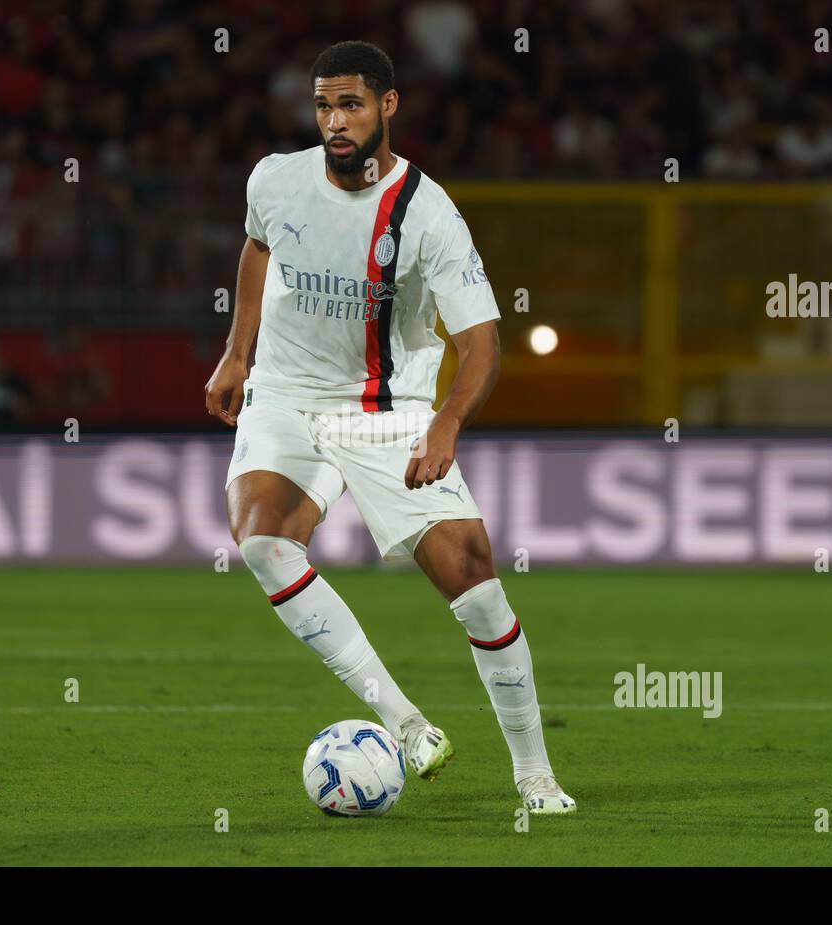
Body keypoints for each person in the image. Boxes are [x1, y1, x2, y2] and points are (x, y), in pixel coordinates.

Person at [203, 41, 575, 813]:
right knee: (262, 539)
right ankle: (402, 721)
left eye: (352, 105)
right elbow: (257, 248)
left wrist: (446, 422)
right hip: (286, 396)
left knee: (474, 584)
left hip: (386, 411)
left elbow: (482, 343)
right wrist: (237, 353)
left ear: (388, 106)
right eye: (324, 106)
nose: (335, 122)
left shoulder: (428, 214)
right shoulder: (275, 179)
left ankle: (535, 774)